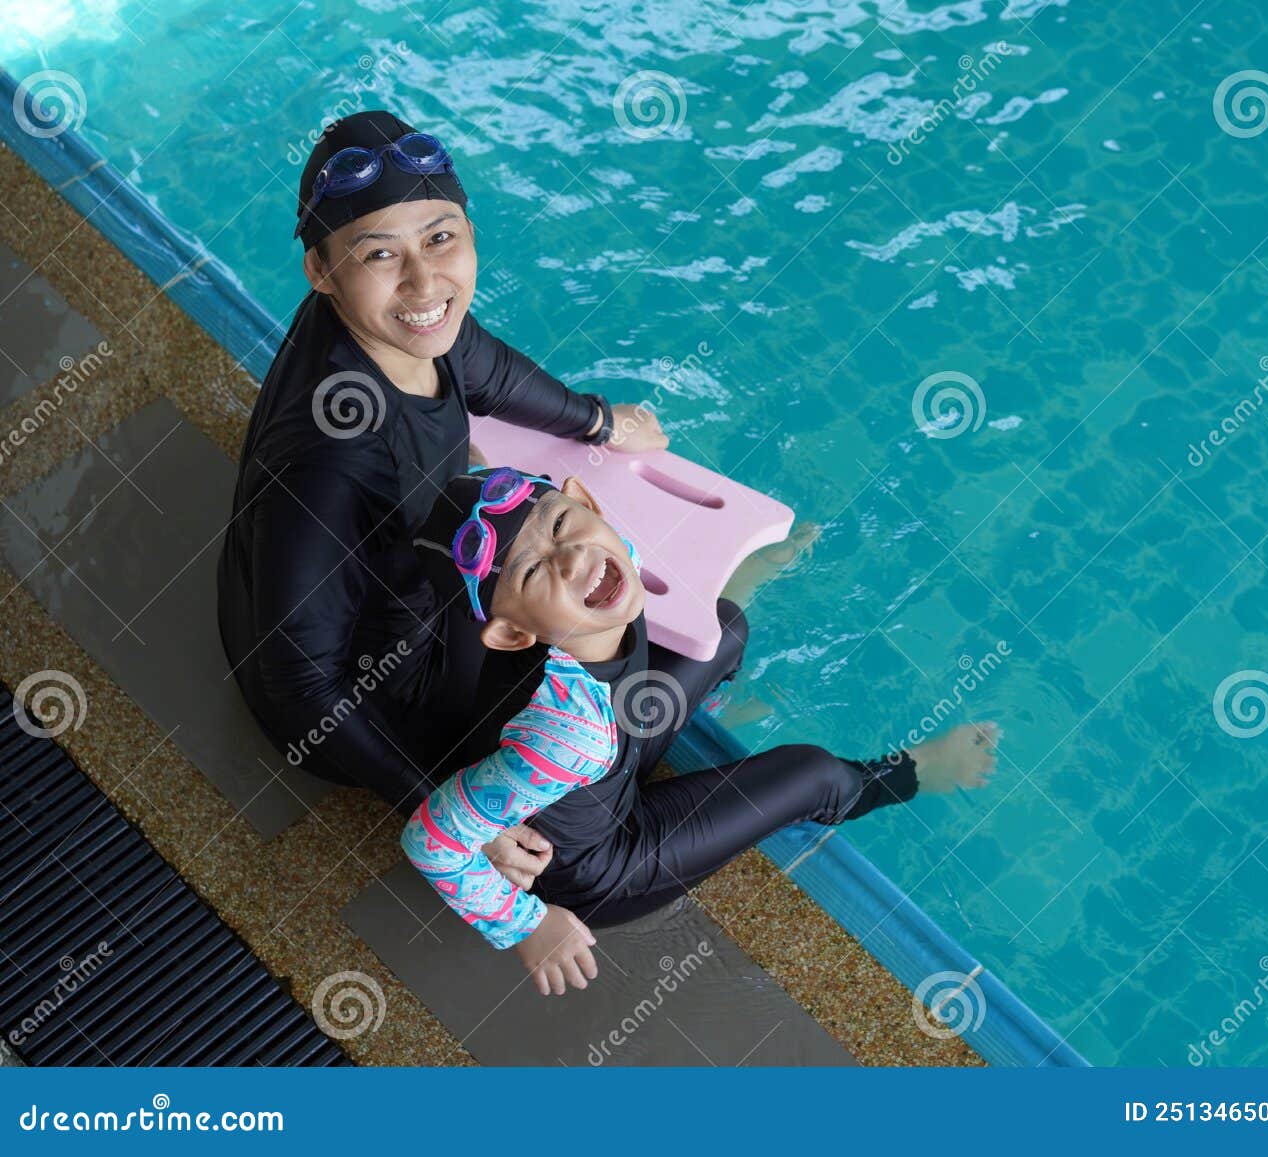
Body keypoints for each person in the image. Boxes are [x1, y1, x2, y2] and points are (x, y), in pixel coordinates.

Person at [402, 467, 1001, 995]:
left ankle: (708, 708)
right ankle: (921, 772)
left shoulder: (603, 569)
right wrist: (527, 926)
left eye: (561, 526)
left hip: (608, 758)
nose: (572, 558)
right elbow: (431, 840)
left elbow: (534, 530)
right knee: (810, 772)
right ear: (511, 634)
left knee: (723, 625)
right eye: (534, 571)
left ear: (587, 502)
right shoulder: (565, 735)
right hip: (600, 864)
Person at [216, 110, 666, 812]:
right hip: (370, 691)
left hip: (337, 579)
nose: (426, 283)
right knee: (581, 651)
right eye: (380, 254)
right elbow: (302, 685)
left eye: (440, 238)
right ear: (321, 270)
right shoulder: (330, 461)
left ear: (467, 232)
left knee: (540, 559)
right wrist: (441, 804)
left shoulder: (400, 324)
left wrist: (599, 419)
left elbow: (485, 369)